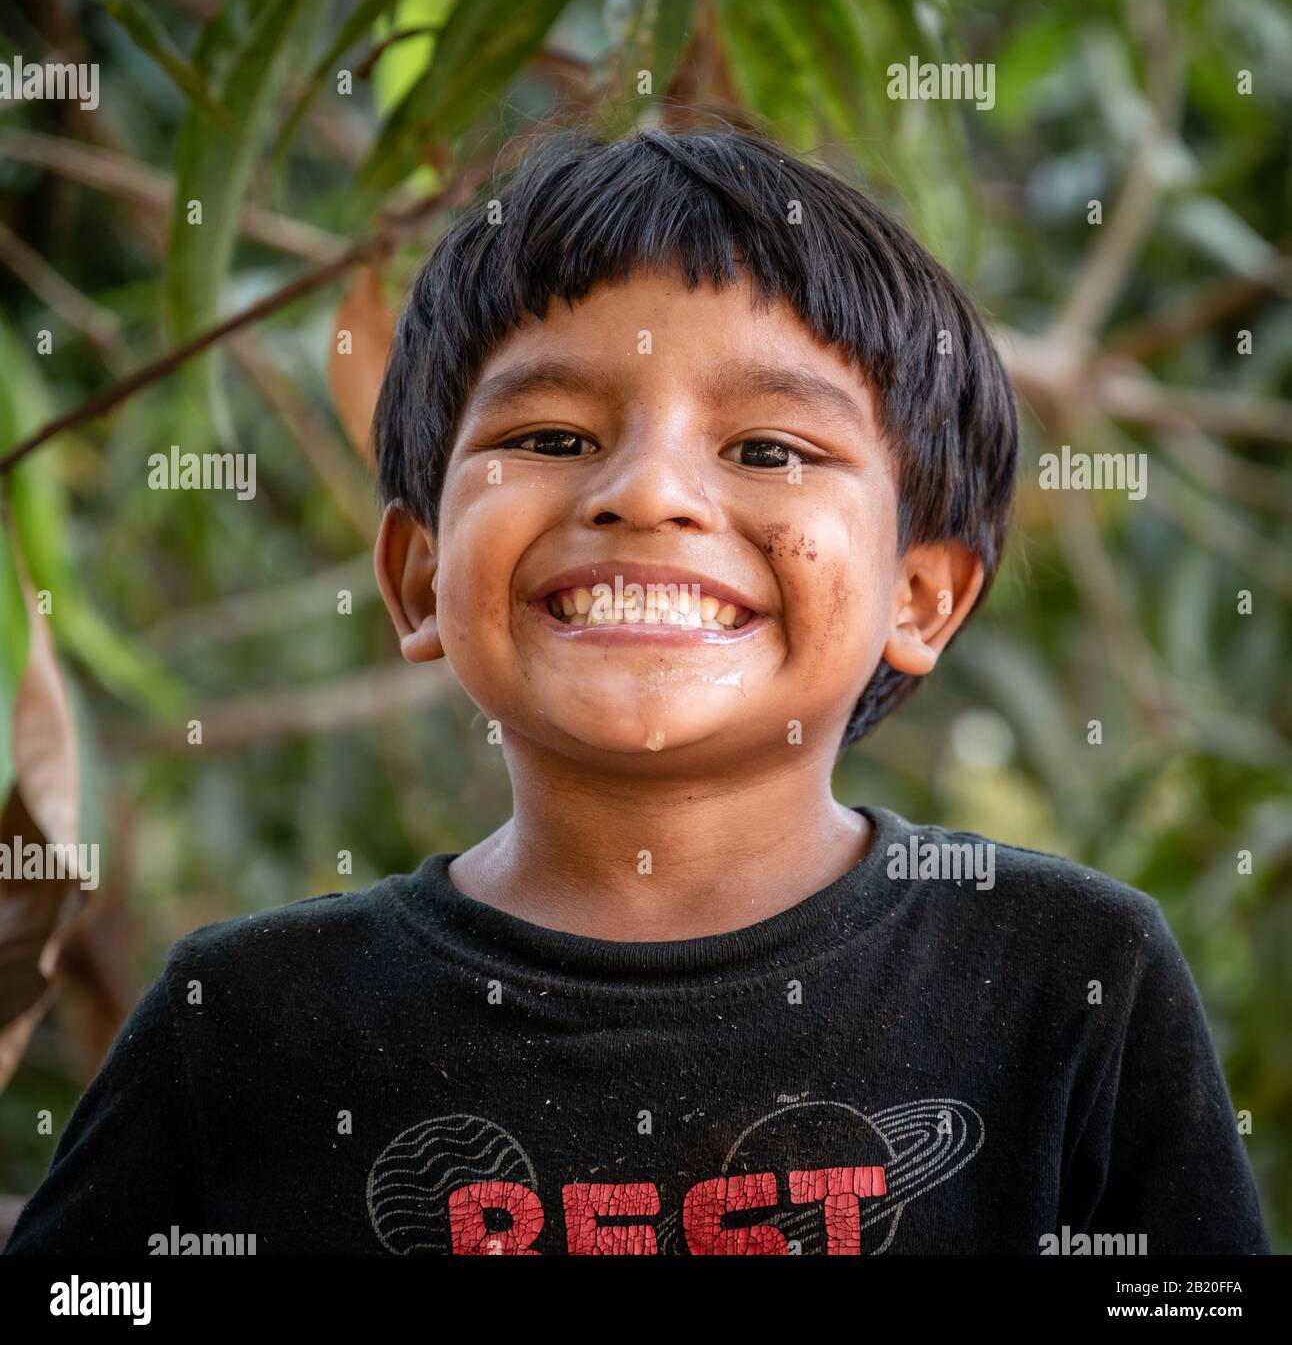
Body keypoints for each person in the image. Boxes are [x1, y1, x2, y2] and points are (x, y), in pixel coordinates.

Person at [5, 127, 1268, 1255]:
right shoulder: (242, 1018)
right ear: (418, 578)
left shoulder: (1066, 973)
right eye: (548, 438)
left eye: (768, 448)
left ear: (919, 597)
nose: (646, 490)